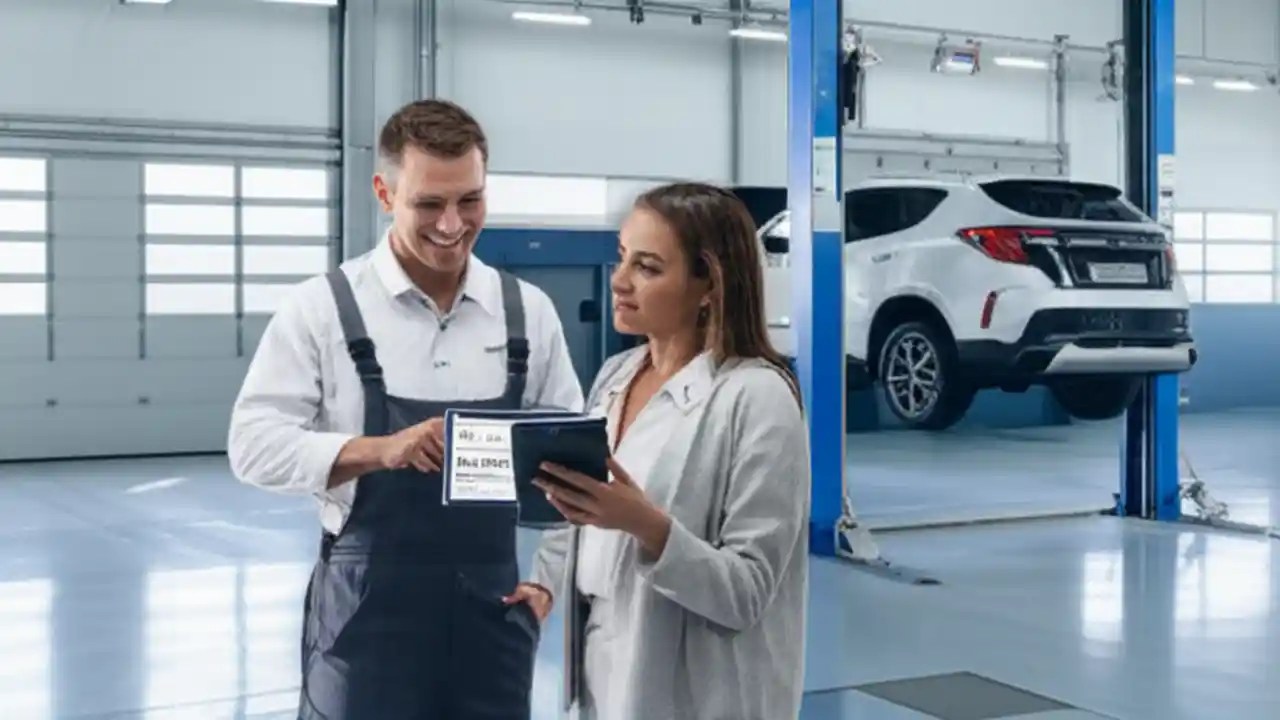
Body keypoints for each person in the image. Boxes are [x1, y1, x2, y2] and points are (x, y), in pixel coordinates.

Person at [226, 98, 584, 719]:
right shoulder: (323, 309)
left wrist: (548, 582)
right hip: (365, 618)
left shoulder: (527, 313)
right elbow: (252, 445)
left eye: (469, 200)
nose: (452, 223)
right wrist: (377, 450)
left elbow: (575, 465)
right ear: (384, 192)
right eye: (429, 204)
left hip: (492, 617)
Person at [508, 182, 812, 720]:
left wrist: (648, 526)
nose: (619, 281)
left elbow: (747, 591)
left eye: (648, 267)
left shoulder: (757, 398)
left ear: (708, 285)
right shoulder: (614, 379)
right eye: (622, 258)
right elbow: (575, 513)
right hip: (605, 672)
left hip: (702, 695)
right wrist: (545, 583)